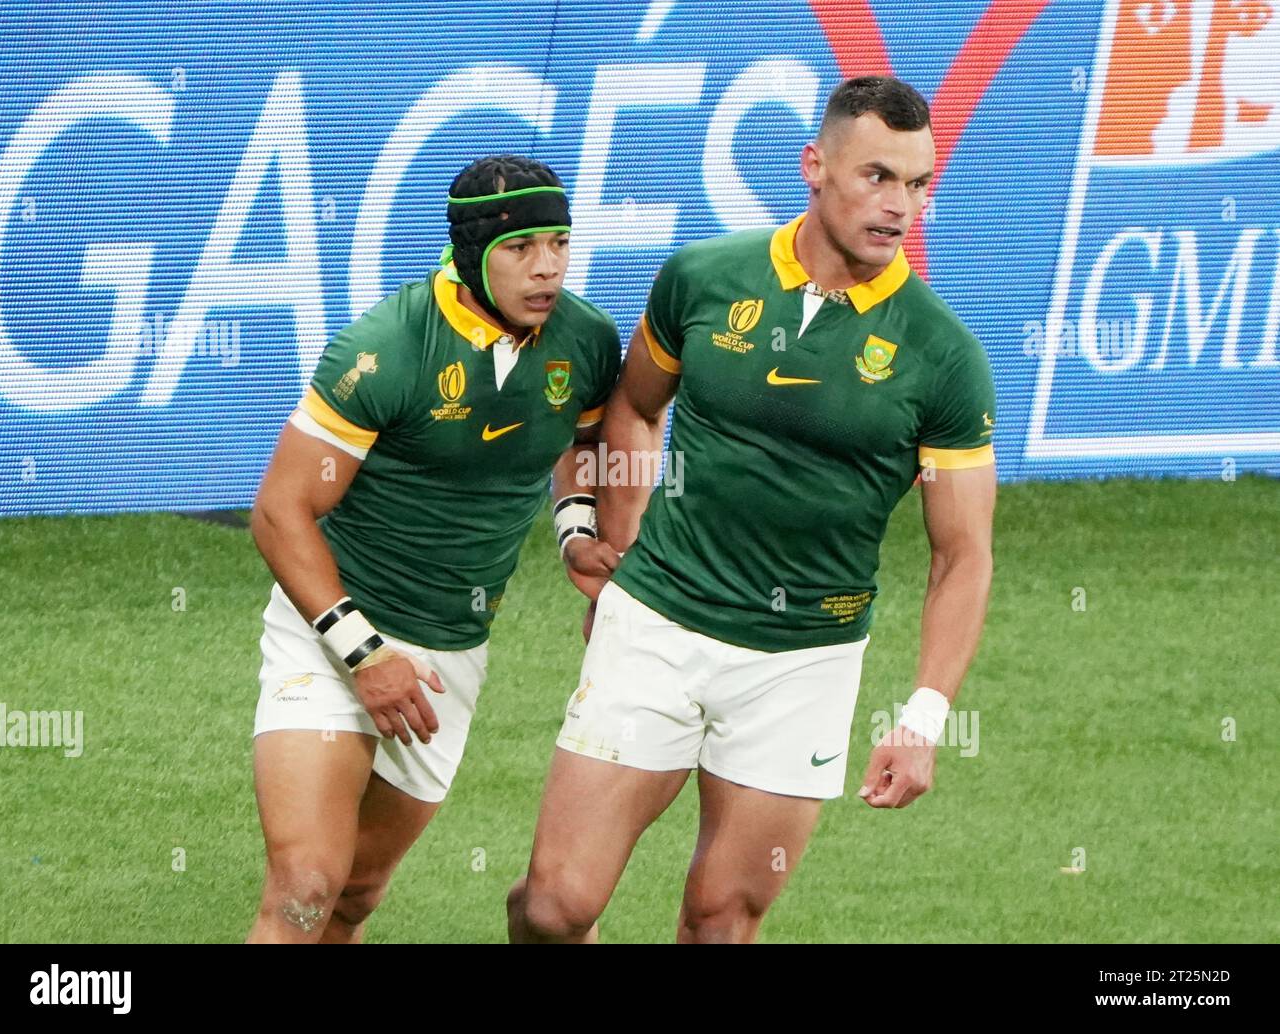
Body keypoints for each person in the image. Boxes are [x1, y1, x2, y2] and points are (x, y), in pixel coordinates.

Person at [507, 76, 998, 944]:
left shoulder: (944, 356)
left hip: (801, 664)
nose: (899, 207)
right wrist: (617, 560)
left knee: (721, 918)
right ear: (815, 166)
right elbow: (635, 406)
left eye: (919, 185)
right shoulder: (705, 276)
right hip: (659, 620)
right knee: (551, 909)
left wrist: (923, 718)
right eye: (876, 176)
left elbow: (963, 556)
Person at [246, 154, 623, 943]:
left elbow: (582, 438)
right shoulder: (387, 348)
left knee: (353, 895)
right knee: (305, 890)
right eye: (521, 248)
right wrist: (364, 654)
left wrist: (577, 529)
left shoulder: (583, 340)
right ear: (472, 252)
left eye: (558, 241)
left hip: (452, 654)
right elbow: (283, 512)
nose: (547, 266)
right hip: (333, 632)